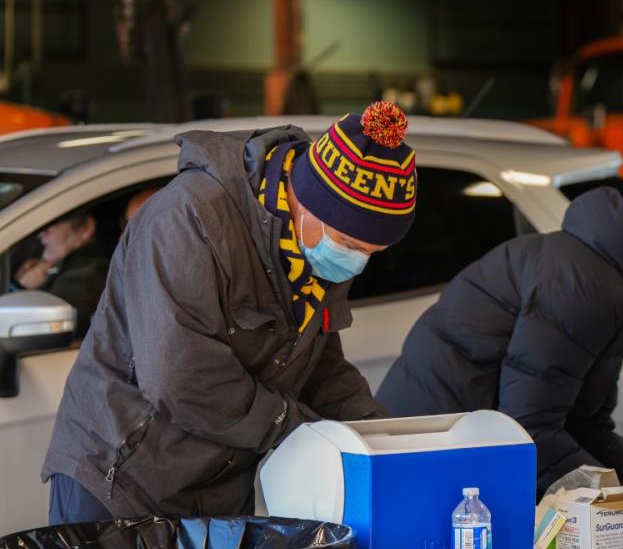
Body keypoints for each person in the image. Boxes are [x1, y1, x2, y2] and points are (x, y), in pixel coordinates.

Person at [43, 101, 417, 525]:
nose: (357, 261)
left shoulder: (311, 248)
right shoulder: (189, 218)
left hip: (219, 488)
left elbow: (320, 367)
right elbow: (180, 377)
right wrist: (295, 426)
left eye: (372, 252)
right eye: (350, 244)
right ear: (307, 202)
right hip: (124, 479)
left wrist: (382, 442)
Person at [376, 188, 623, 495]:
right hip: (427, 451)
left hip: (450, 444)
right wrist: (613, 503)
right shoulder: (583, 287)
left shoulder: (606, 284)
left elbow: (586, 423)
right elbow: (529, 427)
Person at [15, 211, 111, 339]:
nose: (41, 235)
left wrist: (29, 287)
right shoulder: (71, 266)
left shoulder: (91, 273)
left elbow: (47, 326)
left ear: (86, 228)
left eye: (51, 227)